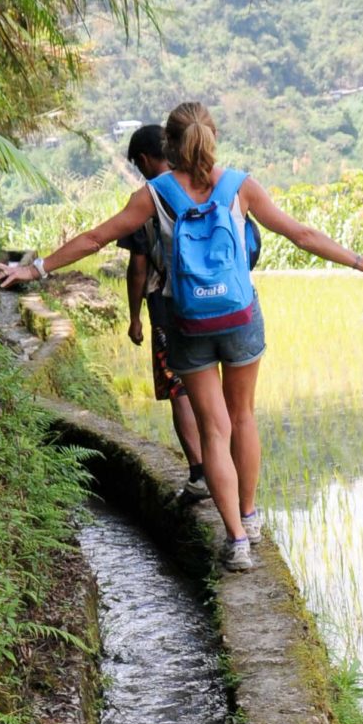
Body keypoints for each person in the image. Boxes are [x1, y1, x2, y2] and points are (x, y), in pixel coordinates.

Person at [0, 99, 363, 572]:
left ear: (168, 143)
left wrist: (34, 269)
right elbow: (301, 234)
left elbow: (94, 239)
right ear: (212, 137)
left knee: (213, 429)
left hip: (188, 323)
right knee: (242, 416)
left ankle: (237, 541)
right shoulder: (240, 186)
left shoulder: (154, 194)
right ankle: (250, 515)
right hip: (240, 317)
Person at [119, 122, 208, 505]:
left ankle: (200, 474)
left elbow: (138, 268)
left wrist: (135, 317)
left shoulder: (149, 198)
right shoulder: (203, 184)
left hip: (166, 305)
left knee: (178, 388)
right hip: (211, 302)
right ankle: (229, 478)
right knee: (211, 388)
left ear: (143, 159)